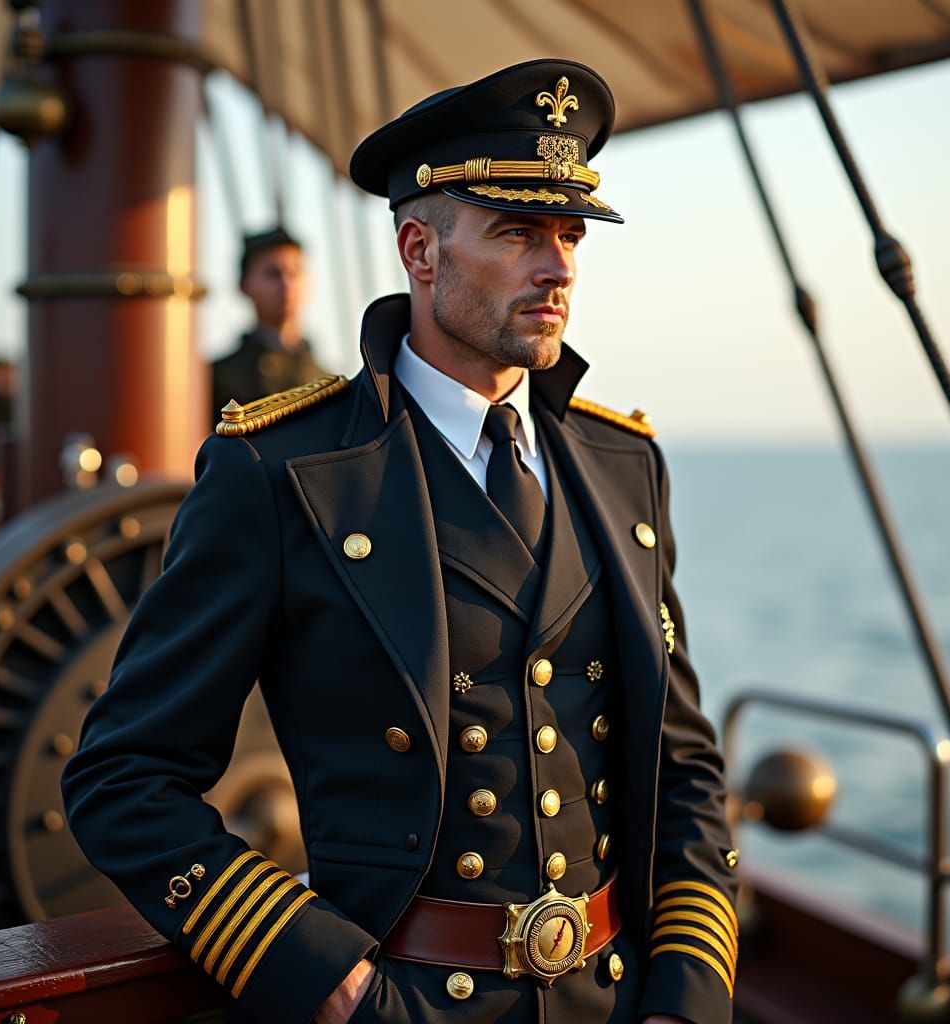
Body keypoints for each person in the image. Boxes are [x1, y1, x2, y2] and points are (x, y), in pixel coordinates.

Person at [63, 59, 738, 1024]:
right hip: (408, 1003)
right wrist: (323, 978)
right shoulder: (280, 474)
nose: (559, 269)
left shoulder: (624, 462)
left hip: (618, 997)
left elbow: (684, 764)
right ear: (419, 251)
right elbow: (122, 779)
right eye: (517, 233)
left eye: (570, 235)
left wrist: (688, 995)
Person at [210, 226, 328, 425]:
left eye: (295, 273)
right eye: (273, 274)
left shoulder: (326, 381)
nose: (286, 285)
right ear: (244, 286)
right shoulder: (217, 378)